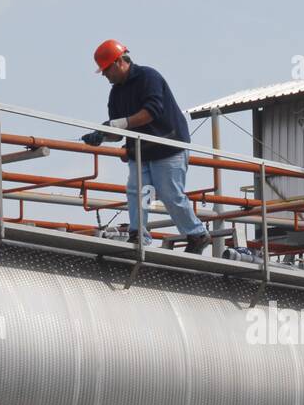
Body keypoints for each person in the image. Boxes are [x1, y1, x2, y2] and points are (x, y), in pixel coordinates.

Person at [82, 39, 211, 254]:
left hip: (167, 145)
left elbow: (152, 112)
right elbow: (119, 129)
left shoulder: (148, 77)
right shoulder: (116, 93)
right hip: (141, 151)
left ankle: (197, 234)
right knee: (136, 191)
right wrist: (102, 136)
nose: (104, 76)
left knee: (170, 193)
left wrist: (119, 124)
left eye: (105, 70)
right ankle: (138, 234)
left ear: (118, 62)